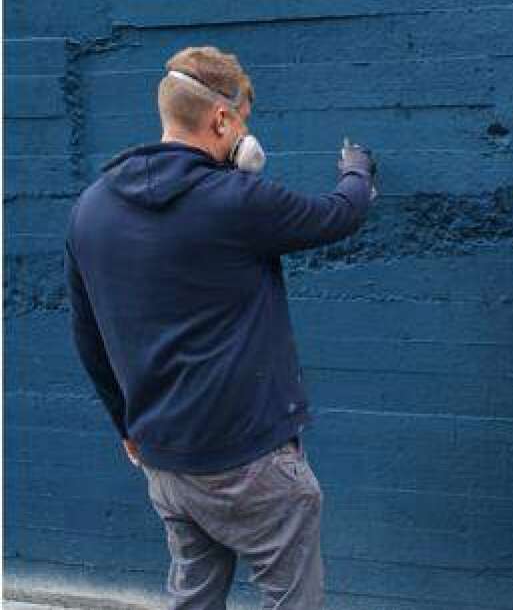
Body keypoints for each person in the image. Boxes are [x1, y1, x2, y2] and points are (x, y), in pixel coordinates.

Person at [65, 46, 377, 609]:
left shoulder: (90, 210)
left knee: (195, 597)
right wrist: (358, 168)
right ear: (221, 120)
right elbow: (339, 213)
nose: (245, 135)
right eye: (243, 122)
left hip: (166, 460)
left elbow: (89, 339)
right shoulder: (237, 201)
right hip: (252, 460)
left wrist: (127, 426)